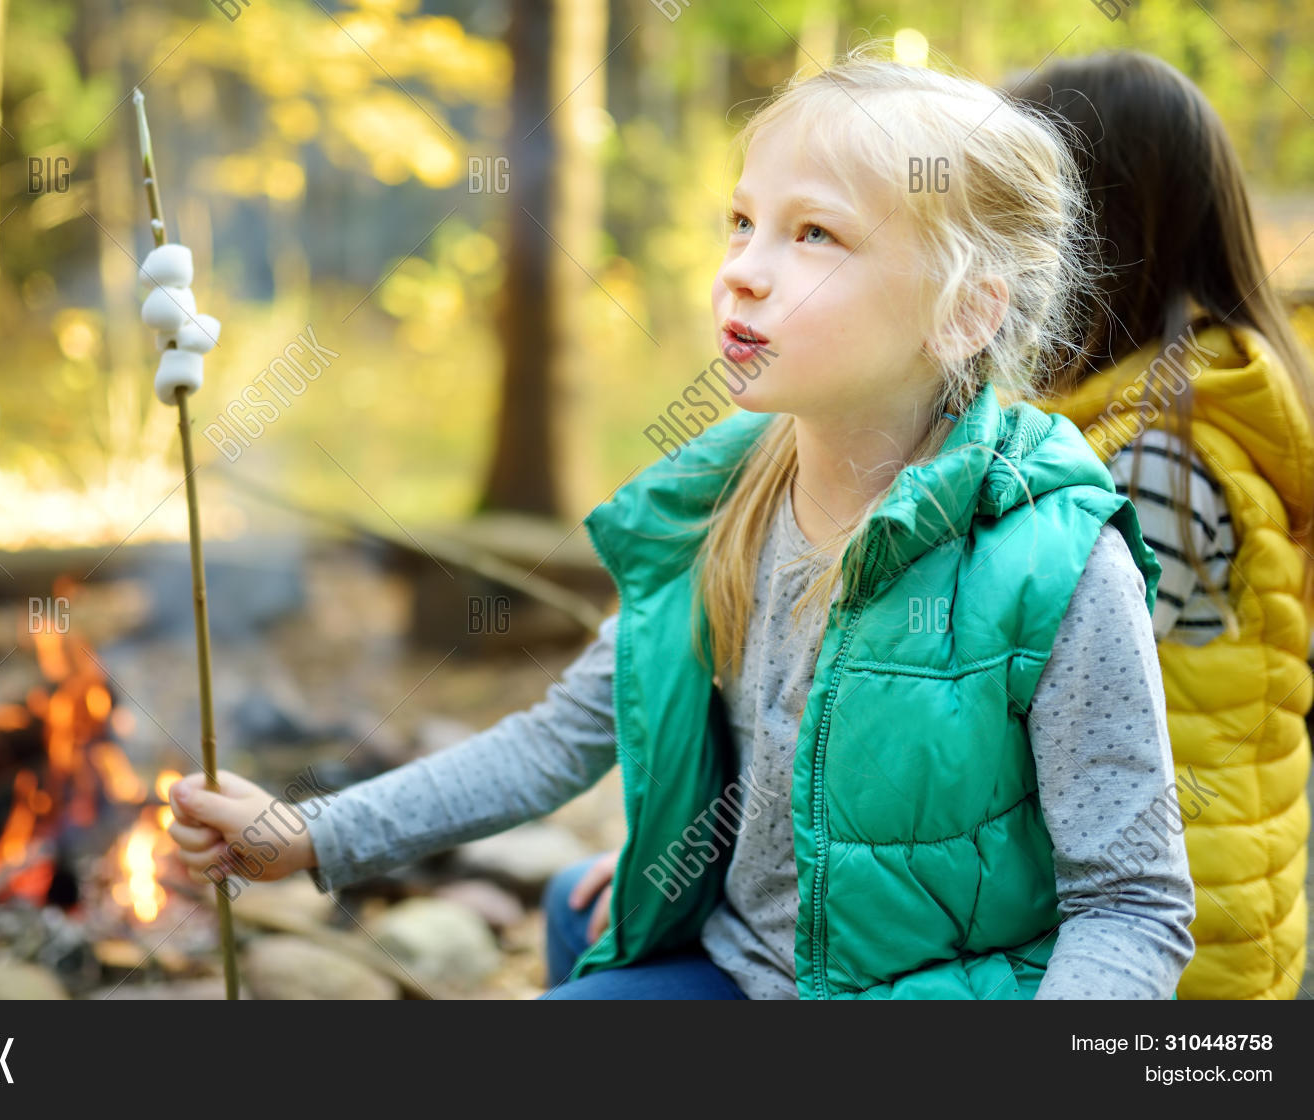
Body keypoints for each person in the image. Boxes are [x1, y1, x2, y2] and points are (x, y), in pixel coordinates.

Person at [166, 50, 1196, 999]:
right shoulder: (727, 509)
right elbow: (556, 741)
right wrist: (308, 832)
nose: (744, 268)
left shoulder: (1055, 563)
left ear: (966, 313)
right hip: (744, 969)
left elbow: (1133, 908)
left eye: (815, 235)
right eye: (741, 223)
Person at [1010, 51, 1314, 1000]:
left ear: (1092, 234)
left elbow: (1091, 721)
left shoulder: (1158, 462)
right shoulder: (1150, 419)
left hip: (1177, 980)